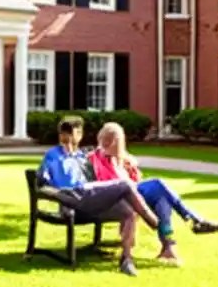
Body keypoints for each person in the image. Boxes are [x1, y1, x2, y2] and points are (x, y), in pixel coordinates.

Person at [39, 115, 162, 276]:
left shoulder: (83, 156)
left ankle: (126, 259)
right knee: (125, 184)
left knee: (128, 211)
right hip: (72, 199)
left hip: (90, 199)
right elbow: (42, 181)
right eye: (65, 133)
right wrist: (58, 194)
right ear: (60, 135)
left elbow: (104, 159)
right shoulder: (53, 155)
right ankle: (153, 220)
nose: (68, 137)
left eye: (73, 132)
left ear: (80, 135)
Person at [90, 122, 218, 266]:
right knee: (158, 184)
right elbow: (107, 182)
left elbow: (136, 180)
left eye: (116, 140)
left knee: (162, 201)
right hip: (116, 196)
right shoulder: (98, 156)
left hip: (133, 196)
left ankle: (168, 246)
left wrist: (126, 167)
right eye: (110, 140)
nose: (113, 144)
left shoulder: (123, 160)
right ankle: (192, 220)